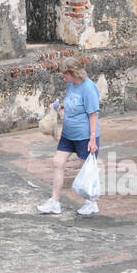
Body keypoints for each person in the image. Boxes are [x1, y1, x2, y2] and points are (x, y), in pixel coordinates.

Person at [37, 55, 101, 216]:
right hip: (68, 133)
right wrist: (59, 106)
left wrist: (92, 138)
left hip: (84, 135)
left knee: (85, 168)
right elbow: (73, 103)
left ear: (74, 73)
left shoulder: (88, 88)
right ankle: (54, 202)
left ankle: (91, 203)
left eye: (65, 74)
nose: (63, 77)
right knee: (57, 162)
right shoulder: (72, 85)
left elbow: (93, 114)